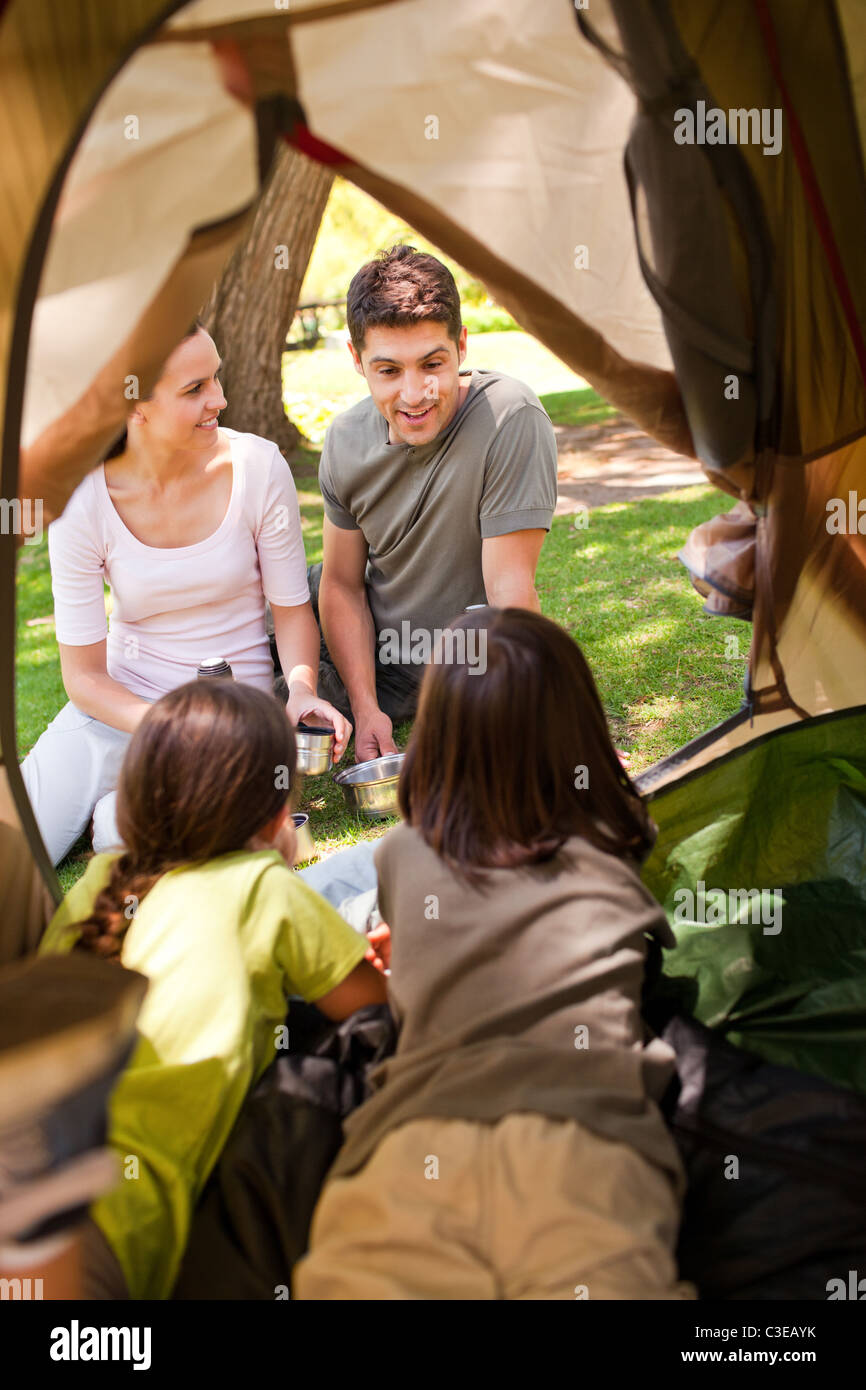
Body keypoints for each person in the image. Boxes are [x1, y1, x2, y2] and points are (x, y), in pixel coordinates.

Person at [293, 609, 694, 1301]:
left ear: (436, 744)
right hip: (586, 1146)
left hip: (412, 1149)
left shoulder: (400, 855)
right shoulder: (613, 843)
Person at [38, 679, 387, 1300]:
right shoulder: (261, 885)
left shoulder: (96, 885)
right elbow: (376, 1013)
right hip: (108, 1234)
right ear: (282, 815)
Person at [21, 320, 350, 867]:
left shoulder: (258, 467)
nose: (219, 399)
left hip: (230, 728)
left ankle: (114, 812)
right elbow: (83, 679)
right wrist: (171, 727)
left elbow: (292, 613)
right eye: (194, 389)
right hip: (122, 715)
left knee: (120, 833)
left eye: (215, 378)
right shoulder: (81, 502)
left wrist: (299, 691)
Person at [312, 245, 558, 762]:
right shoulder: (343, 440)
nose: (414, 393)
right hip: (361, 649)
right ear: (357, 362)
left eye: (432, 363)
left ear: (461, 346)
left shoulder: (509, 416)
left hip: (459, 662)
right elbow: (340, 583)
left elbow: (509, 587)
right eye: (388, 370)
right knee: (243, 714)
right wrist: (364, 706)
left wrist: (543, 725)